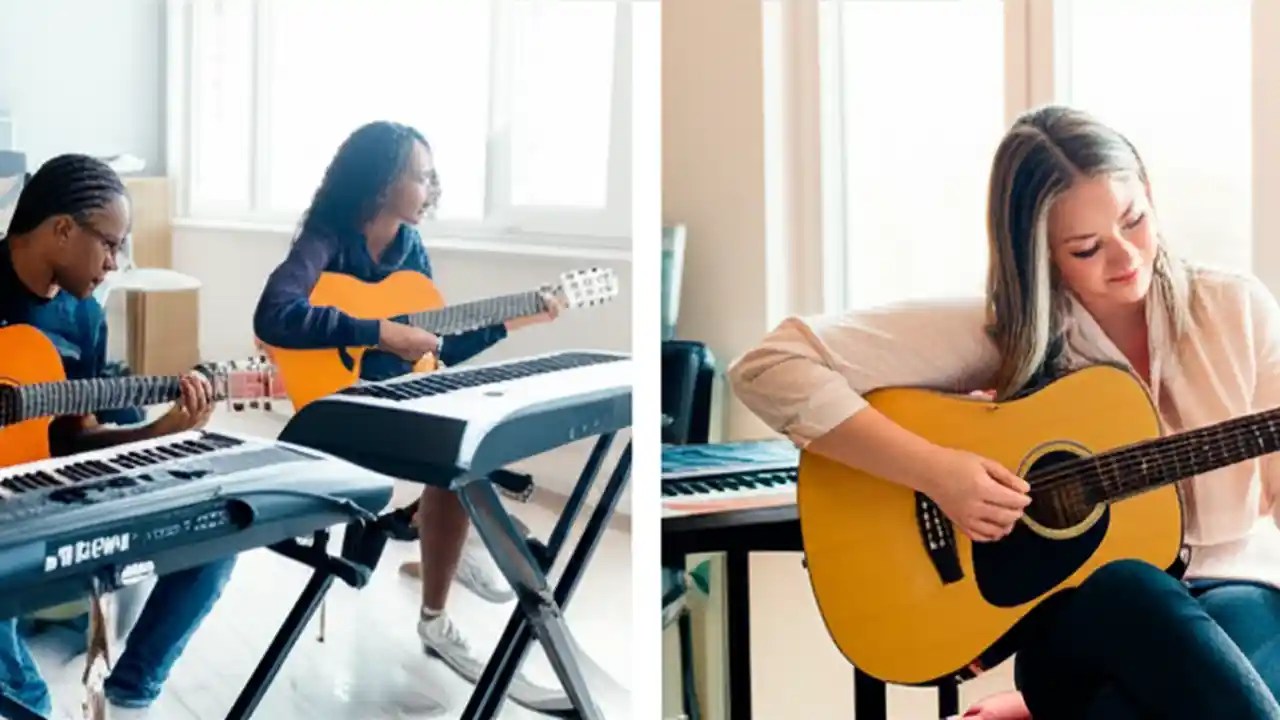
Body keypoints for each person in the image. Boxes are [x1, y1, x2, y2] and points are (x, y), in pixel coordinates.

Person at [728, 105, 1280, 720]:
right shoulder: (1010, 332)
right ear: (1040, 256)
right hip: (1077, 620)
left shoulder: (1237, 309)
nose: (1125, 257)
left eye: (1135, 220)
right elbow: (768, 367)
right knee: (1130, 582)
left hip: (1233, 590)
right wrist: (938, 473)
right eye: (1086, 247)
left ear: (1148, 193)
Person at [253, 120, 567, 711]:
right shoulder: (327, 239)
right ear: (380, 182)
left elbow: (432, 348)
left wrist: (514, 322)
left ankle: (437, 610)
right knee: (453, 450)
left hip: (399, 402)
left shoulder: (410, 251)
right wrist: (376, 331)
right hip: (333, 409)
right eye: (420, 175)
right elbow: (275, 315)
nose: (430, 187)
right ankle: (457, 537)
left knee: (463, 424)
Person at [0, 154, 228, 714]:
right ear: (61, 230)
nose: (114, 263)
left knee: (220, 532)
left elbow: (71, 439)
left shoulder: (82, 318)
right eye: (110, 243)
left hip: (40, 486)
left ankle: (132, 693)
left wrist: (160, 430)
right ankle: (29, 701)